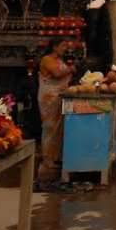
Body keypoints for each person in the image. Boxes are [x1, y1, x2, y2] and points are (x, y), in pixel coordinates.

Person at [38, 38, 76, 180]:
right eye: (63, 45)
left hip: (59, 97)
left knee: (58, 128)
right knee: (49, 127)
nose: (65, 48)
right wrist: (70, 69)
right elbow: (57, 73)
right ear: (54, 47)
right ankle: (47, 160)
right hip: (49, 98)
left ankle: (55, 158)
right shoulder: (46, 60)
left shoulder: (61, 60)